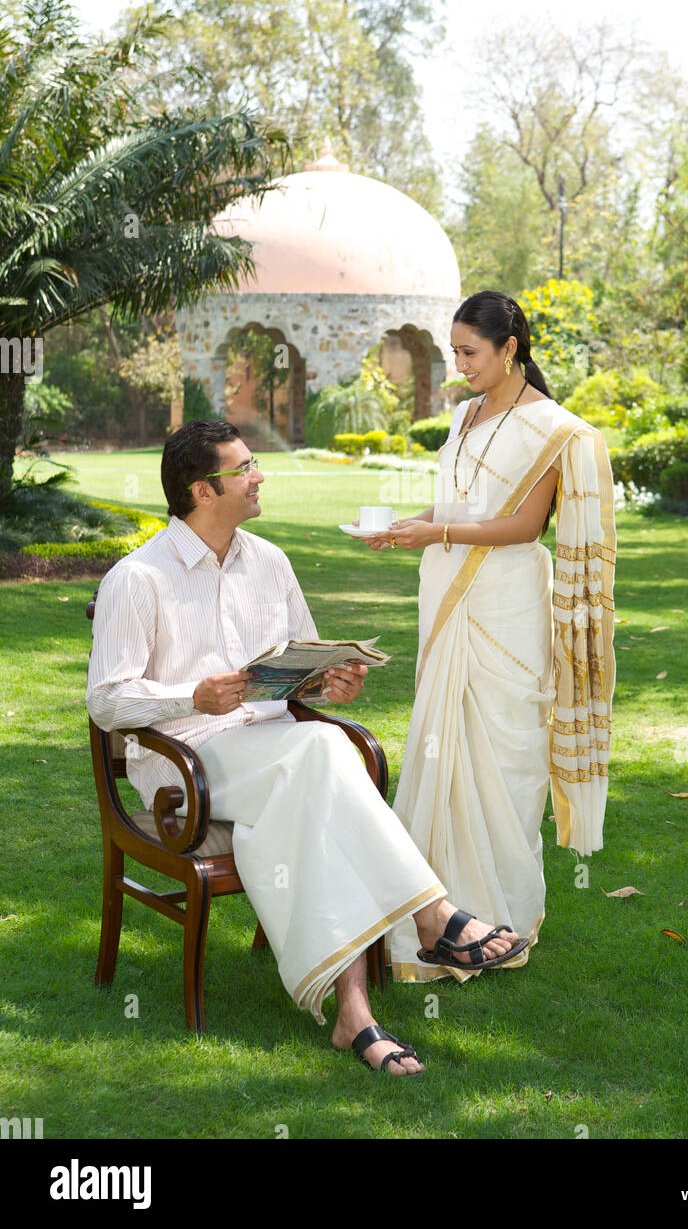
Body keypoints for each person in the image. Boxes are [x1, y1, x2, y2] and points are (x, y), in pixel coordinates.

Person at [86, 419, 528, 1076]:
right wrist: (191, 698)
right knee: (321, 752)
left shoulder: (269, 561)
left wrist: (332, 680)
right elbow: (107, 701)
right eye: (245, 468)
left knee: (314, 775)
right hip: (187, 760)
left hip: (279, 750)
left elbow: (303, 664)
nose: (259, 475)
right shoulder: (138, 577)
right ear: (203, 490)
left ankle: (354, 1017)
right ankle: (434, 916)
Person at [361, 292, 616, 983]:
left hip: (506, 606)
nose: (460, 365)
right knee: (440, 747)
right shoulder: (465, 414)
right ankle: (439, 916)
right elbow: (460, 504)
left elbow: (524, 526)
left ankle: (498, 916)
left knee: (503, 756)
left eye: (469, 352)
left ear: (510, 349)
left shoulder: (554, 430)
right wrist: (407, 524)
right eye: (455, 353)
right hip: (449, 591)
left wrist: (435, 532)